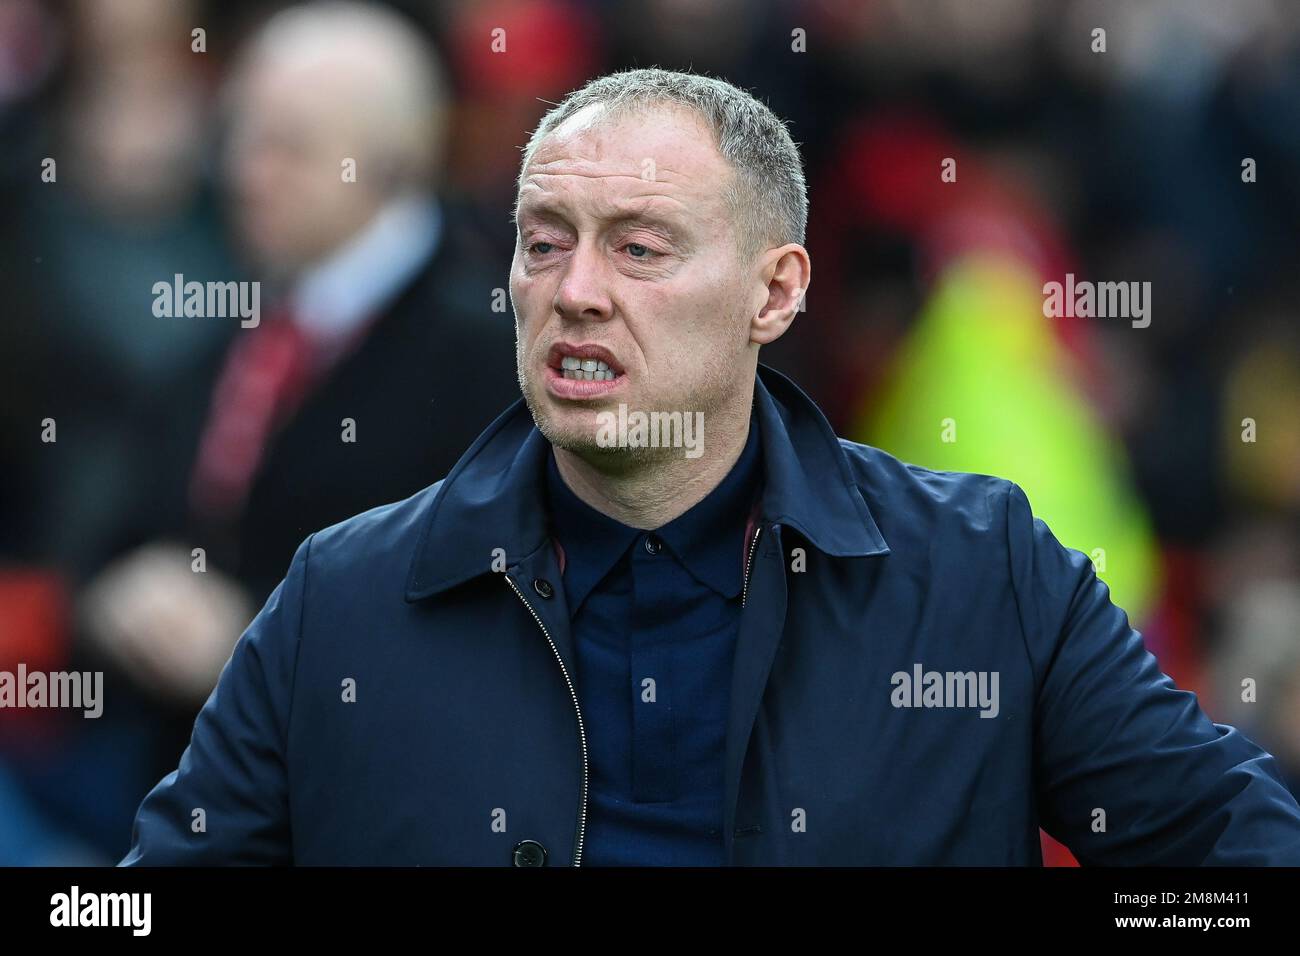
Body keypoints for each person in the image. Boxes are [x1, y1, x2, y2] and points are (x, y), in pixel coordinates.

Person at [120, 67, 1300, 866]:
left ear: (775, 292)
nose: (575, 289)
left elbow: (1232, 844)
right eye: (543, 243)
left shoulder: (984, 571)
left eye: (639, 248)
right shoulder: (346, 594)